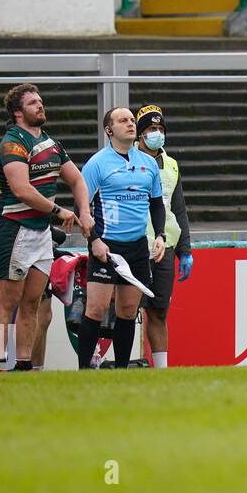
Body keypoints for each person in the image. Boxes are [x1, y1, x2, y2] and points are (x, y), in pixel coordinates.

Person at [0, 83, 92, 371]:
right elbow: (22, 190)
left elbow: (77, 180)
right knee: (7, 302)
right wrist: (59, 211)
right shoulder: (13, 143)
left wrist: (84, 211)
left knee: (32, 302)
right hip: (12, 229)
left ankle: (23, 365)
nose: (40, 105)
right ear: (18, 112)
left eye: (41, 101)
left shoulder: (52, 144)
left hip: (40, 233)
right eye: (33, 102)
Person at [78, 107, 166, 369]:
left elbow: (157, 204)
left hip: (138, 247)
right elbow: (81, 207)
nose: (130, 124)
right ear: (109, 130)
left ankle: (122, 371)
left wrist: (159, 235)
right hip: (107, 245)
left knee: (128, 311)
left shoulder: (148, 163)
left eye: (131, 120)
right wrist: (94, 239)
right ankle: (83, 371)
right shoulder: (97, 163)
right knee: (95, 310)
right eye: (122, 120)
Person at [133, 104, 193, 368]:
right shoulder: (126, 159)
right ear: (139, 134)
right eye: (150, 129)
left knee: (159, 311)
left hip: (164, 247)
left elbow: (178, 210)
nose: (156, 133)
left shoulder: (171, 166)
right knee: (124, 311)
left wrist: (185, 250)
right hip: (132, 245)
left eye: (160, 129)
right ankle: (108, 365)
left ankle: (161, 370)